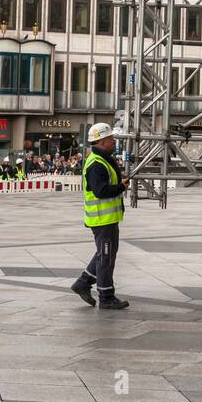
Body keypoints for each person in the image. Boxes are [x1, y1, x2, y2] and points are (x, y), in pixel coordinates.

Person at [71, 123, 129, 310]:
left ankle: (83, 283)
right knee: (106, 257)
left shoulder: (103, 159)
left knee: (105, 254)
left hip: (107, 219)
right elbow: (101, 191)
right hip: (101, 219)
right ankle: (106, 296)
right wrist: (122, 187)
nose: (114, 141)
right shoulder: (96, 163)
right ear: (102, 141)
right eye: (111, 139)